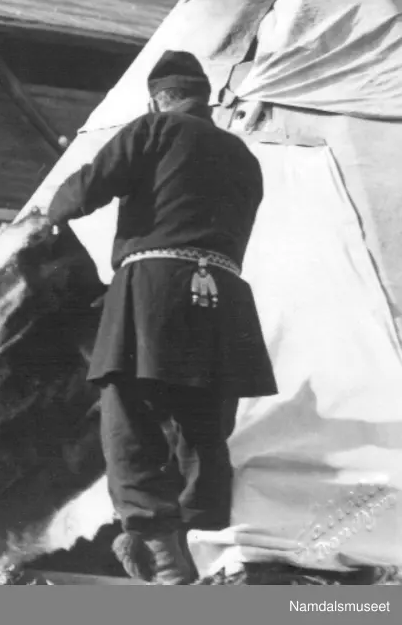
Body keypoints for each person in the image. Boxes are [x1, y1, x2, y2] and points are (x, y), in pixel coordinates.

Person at [39, 49, 278, 585]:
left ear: (159, 99)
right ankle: (200, 545)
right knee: (204, 424)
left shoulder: (154, 129)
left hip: (154, 288)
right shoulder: (244, 156)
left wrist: (49, 215)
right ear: (207, 100)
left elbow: (86, 189)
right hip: (224, 296)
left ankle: (160, 551)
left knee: (129, 413)